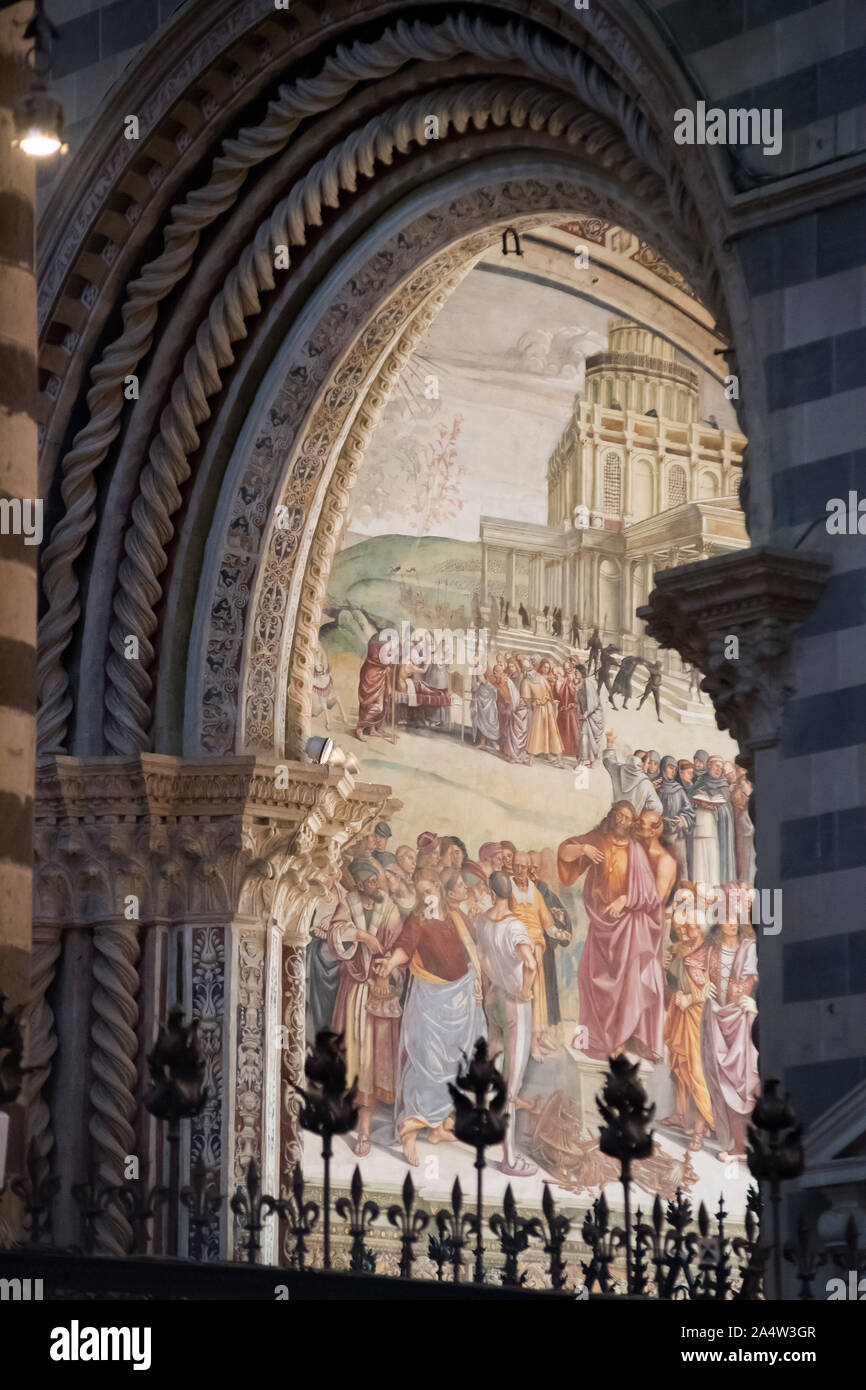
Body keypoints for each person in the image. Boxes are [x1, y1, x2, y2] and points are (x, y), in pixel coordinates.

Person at [376, 871, 486, 1166]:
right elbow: (405, 947)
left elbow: (475, 952)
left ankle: (439, 1128)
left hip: (460, 1000)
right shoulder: (418, 919)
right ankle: (409, 1132)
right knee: (426, 1065)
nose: (427, 898)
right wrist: (390, 963)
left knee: (455, 1063)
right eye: (422, 893)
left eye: (431, 891)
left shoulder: (459, 919)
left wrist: (478, 982)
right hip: (430, 1001)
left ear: (440, 889)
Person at [557, 802, 664, 1062]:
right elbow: (564, 853)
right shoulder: (597, 839)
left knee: (626, 983)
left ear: (632, 823)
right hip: (601, 924)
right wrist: (583, 848)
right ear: (612, 816)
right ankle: (599, 1038)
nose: (622, 820)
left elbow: (650, 894)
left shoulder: (636, 851)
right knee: (589, 977)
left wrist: (625, 899)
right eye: (619, 815)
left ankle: (619, 1041)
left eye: (628, 818)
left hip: (628, 926)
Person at [331, 858, 404, 1156]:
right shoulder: (347, 903)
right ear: (360, 885)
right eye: (370, 882)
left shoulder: (389, 907)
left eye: (377, 880)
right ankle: (343, 1116)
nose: (376, 885)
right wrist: (362, 935)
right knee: (351, 1057)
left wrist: (387, 971)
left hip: (379, 991)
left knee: (374, 1063)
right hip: (353, 992)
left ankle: (364, 1130)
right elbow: (335, 936)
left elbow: (400, 945)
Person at [475, 872, 538, 1177]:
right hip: (514, 1004)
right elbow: (531, 963)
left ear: (490, 890)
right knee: (510, 1086)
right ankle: (508, 1158)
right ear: (511, 892)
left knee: (492, 1069)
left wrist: (496, 979)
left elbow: (482, 957)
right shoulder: (514, 926)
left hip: (493, 997)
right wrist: (525, 990)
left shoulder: (482, 921)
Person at [691, 897, 759, 1161]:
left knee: (748, 1080)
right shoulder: (711, 947)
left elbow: (762, 979)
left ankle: (757, 1142)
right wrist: (702, 983)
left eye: (735, 918)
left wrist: (755, 1002)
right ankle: (738, 1146)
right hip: (717, 1021)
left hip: (742, 1018)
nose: (731, 923)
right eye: (726, 918)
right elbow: (692, 964)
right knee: (726, 1083)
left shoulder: (749, 947)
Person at [661, 887, 713, 1150]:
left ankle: (700, 1129)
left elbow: (713, 990)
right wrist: (668, 964)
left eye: (689, 928)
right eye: (681, 928)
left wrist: (690, 999)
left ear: (700, 928)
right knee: (680, 1068)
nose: (684, 932)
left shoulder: (708, 953)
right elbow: (671, 978)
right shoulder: (682, 949)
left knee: (697, 1072)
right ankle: (683, 1116)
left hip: (699, 1018)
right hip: (681, 1015)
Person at [509, 850, 569, 1056]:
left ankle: (534, 1042)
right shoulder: (506, 888)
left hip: (537, 946)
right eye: (516, 866)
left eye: (523, 867)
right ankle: (519, 1041)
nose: (519, 870)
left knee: (537, 996)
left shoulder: (535, 891)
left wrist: (558, 933)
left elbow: (546, 921)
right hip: (515, 944)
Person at [529, 849, 573, 1027]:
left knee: (546, 994)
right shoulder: (515, 892)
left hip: (545, 953)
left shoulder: (547, 894)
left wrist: (559, 920)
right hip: (524, 951)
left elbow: (563, 923)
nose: (532, 872)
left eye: (535, 868)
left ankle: (544, 1031)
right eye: (528, 867)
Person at [691, 754, 736, 889]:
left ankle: (716, 886)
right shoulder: (699, 782)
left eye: (721, 768)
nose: (719, 770)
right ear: (709, 765)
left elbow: (726, 807)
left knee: (713, 857)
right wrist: (697, 801)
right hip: (700, 826)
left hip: (716, 828)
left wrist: (712, 805)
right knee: (699, 857)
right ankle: (699, 887)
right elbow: (690, 800)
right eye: (717, 766)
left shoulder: (723, 785)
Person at [520, 658, 566, 767]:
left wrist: (535, 704)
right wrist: (543, 701)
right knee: (550, 732)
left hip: (540, 708)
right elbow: (548, 692)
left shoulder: (527, 681)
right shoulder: (539, 678)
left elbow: (527, 698)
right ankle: (558, 760)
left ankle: (531, 760)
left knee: (538, 732)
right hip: (546, 707)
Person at [602, 731, 662, 812]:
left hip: (614, 816)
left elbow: (608, 761)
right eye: (648, 763)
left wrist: (609, 744)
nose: (648, 766)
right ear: (641, 763)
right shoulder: (646, 783)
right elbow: (658, 808)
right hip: (632, 822)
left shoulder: (618, 769)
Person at [657, 755, 695, 878]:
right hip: (660, 836)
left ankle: (683, 894)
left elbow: (689, 811)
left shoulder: (679, 790)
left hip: (677, 836)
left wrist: (683, 820)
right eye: (670, 768)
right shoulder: (656, 789)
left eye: (675, 769)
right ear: (663, 768)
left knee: (680, 866)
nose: (673, 771)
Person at [355, 630, 396, 740]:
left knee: (380, 701)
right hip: (372, 675)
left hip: (379, 674)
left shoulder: (377, 640)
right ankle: (360, 728)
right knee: (374, 705)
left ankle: (372, 729)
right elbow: (384, 660)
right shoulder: (380, 644)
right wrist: (394, 661)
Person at [491, 660, 531, 765]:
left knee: (512, 731)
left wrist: (508, 709)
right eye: (494, 671)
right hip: (506, 708)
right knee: (505, 729)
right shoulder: (497, 681)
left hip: (515, 708)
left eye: (496, 671)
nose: (494, 673)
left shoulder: (506, 681)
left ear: (501, 672)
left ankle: (513, 754)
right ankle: (507, 752)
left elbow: (510, 698)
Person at [576, 662, 605, 766]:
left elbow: (594, 703)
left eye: (577, 672)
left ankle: (587, 760)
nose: (575, 673)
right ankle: (584, 759)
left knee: (587, 737)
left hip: (594, 715)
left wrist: (586, 713)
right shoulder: (578, 685)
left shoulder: (588, 684)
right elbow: (579, 701)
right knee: (583, 736)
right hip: (586, 715)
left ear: (581, 673)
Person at [555, 660, 583, 760]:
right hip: (564, 708)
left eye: (568, 669)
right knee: (563, 729)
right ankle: (563, 752)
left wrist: (572, 704)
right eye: (565, 669)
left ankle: (578, 753)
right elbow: (560, 693)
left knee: (574, 730)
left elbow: (577, 696)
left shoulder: (575, 680)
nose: (567, 671)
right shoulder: (565, 679)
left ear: (572, 668)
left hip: (573, 709)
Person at [470, 665, 500, 751]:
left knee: (491, 723)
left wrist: (485, 682)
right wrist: (478, 683)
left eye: (480, 675)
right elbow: (474, 689)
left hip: (490, 707)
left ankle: (494, 743)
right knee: (481, 724)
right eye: (478, 676)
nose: (479, 677)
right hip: (480, 706)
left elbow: (495, 691)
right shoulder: (478, 683)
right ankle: (482, 743)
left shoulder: (489, 682)